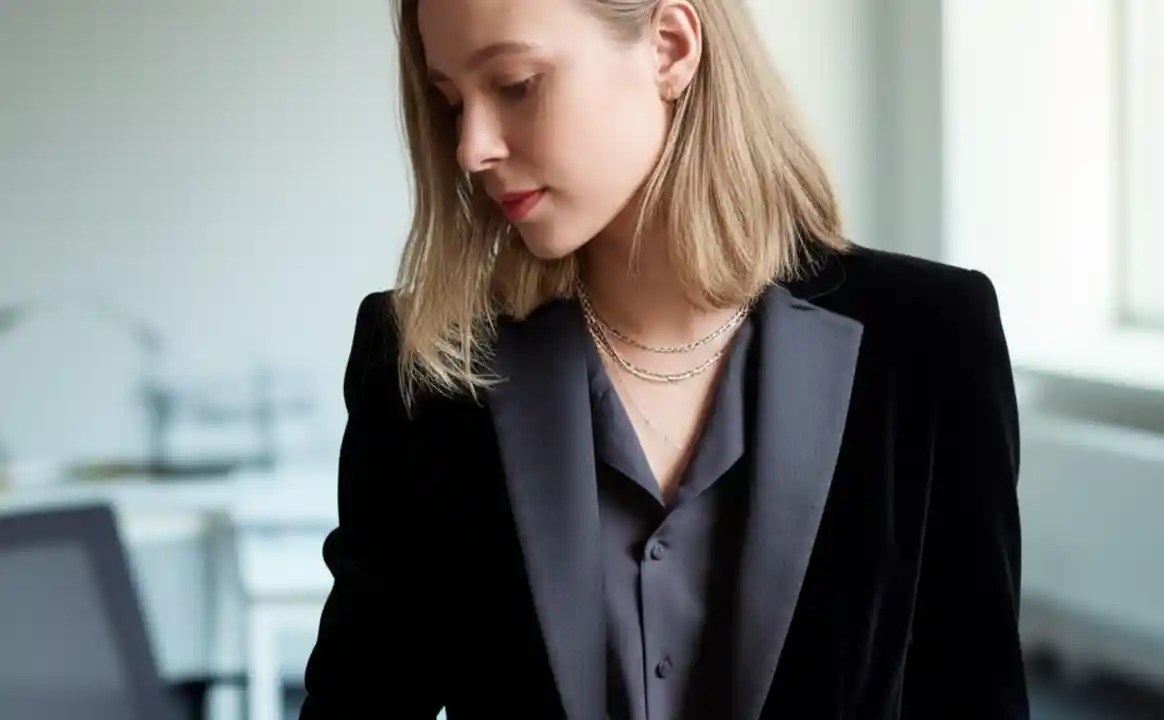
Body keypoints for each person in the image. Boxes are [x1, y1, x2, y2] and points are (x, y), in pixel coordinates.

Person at [298, 0, 1030, 718]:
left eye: (516, 83)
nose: (471, 146)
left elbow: (972, 692)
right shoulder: (428, 363)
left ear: (671, 48)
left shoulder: (929, 341)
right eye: (451, 101)